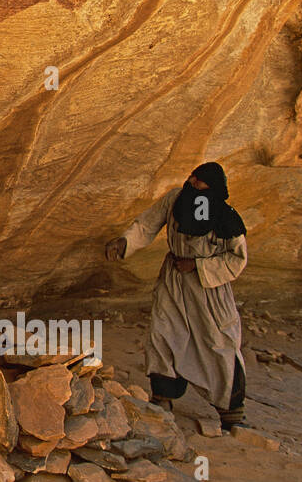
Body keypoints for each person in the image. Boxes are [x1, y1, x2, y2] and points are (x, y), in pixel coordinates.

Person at [104, 162, 250, 429]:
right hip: (173, 279)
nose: (192, 181)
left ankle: (230, 409)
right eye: (192, 176)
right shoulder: (176, 199)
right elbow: (148, 223)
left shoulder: (226, 216)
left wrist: (198, 265)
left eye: (200, 181)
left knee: (218, 341)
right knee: (163, 332)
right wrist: (125, 242)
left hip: (208, 289)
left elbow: (237, 259)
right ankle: (163, 396)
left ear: (212, 188)